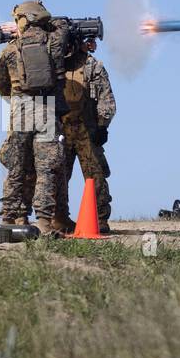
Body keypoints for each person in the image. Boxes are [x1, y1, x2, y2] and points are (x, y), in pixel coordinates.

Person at [0, 0, 66, 233]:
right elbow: (63, 26)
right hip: (47, 111)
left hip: (20, 113)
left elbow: (1, 86)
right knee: (46, 170)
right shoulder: (55, 42)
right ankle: (44, 223)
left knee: (17, 168)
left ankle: (11, 219)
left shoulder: (9, 50)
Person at [52, 32, 115, 233]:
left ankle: (99, 219)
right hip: (62, 128)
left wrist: (102, 125)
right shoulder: (55, 66)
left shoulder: (93, 66)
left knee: (95, 173)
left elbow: (106, 98)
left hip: (86, 128)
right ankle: (59, 219)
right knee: (58, 176)